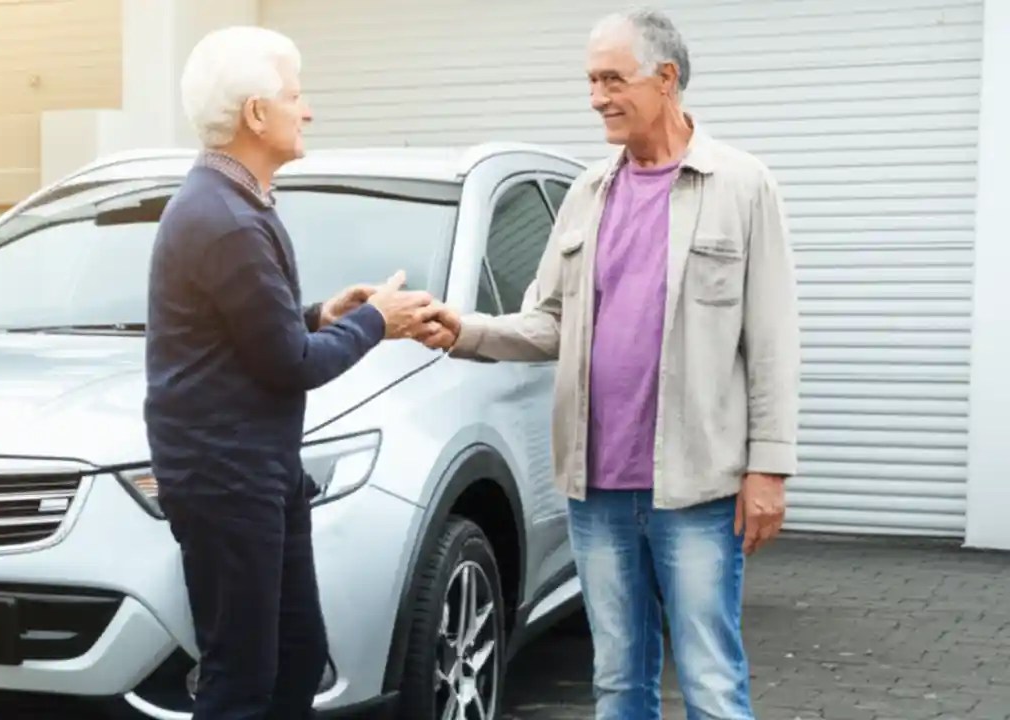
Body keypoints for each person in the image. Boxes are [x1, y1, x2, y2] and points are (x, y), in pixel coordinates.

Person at [422, 8, 799, 719]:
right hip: (596, 488)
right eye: (591, 80)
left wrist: (768, 468)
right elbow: (549, 322)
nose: (596, 96)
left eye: (611, 79)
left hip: (698, 487)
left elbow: (774, 338)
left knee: (712, 679)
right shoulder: (589, 196)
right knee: (617, 680)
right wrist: (460, 330)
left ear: (666, 79)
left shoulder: (742, 186)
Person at [143, 26, 437, 720]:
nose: (307, 111)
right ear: (255, 114)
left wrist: (320, 312)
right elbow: (290, 365)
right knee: (240, 683)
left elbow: (254, 334)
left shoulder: (231, 204)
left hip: (259, 474)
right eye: (295, 96)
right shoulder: (224, 218)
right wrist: (378, 321)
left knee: (297, 657)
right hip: (228, 481)